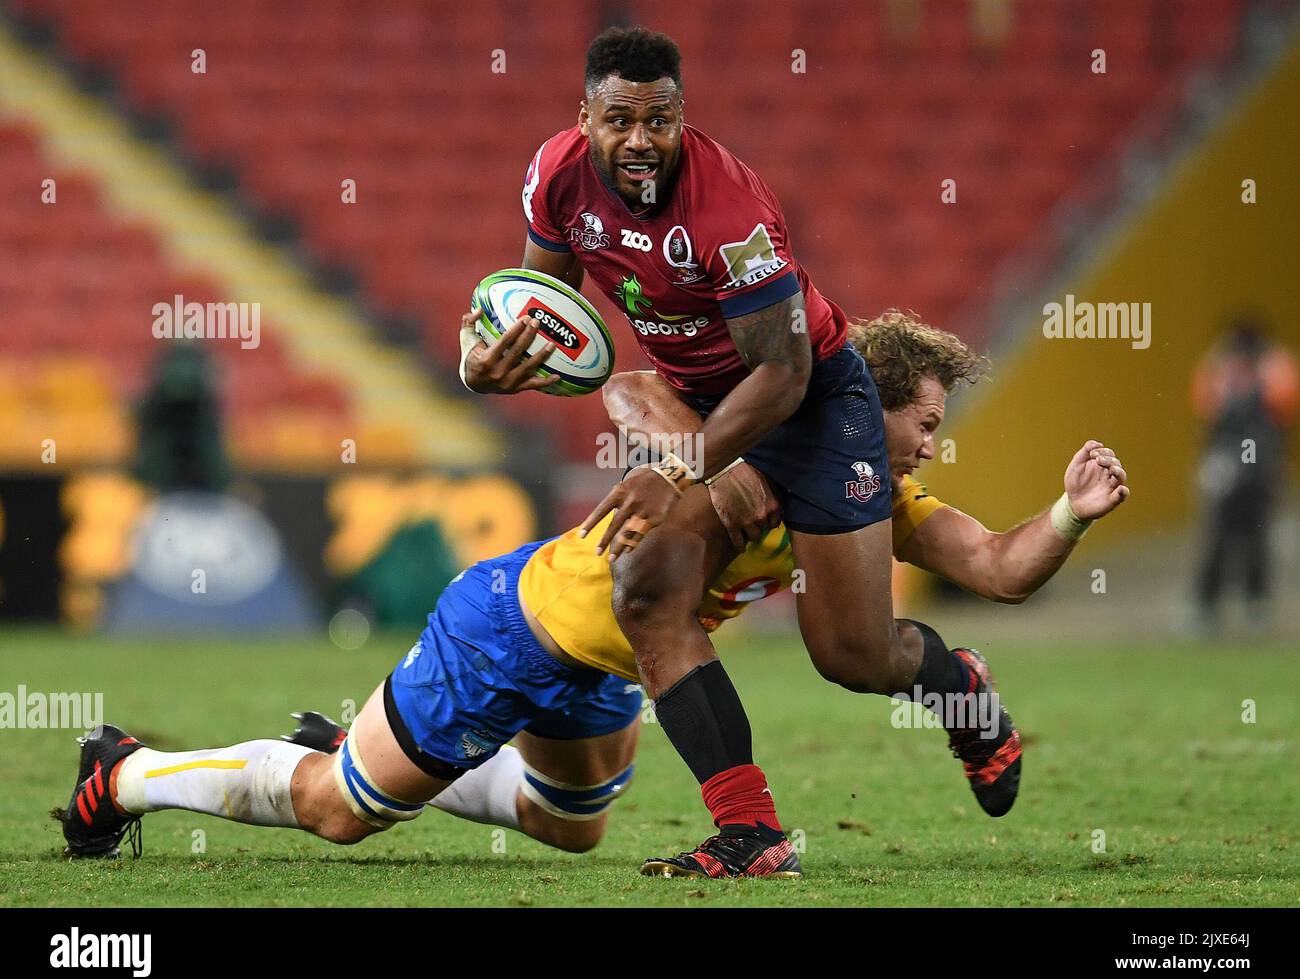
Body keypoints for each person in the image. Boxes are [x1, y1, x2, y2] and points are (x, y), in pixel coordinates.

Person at [59, 311, 1129, 880]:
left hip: (609, 671)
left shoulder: (864, 504)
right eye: (921, 422)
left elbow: (993, 564)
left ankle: (359, 740)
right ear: (863, 410)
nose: (930, 445)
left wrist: (1071, 512)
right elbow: (634, 391)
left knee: (567, 829)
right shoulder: (755, 456)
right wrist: (688, 453)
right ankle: (129, 771)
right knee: (341, 812)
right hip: (514, 629)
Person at [460, 26, 1025, 871]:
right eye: (621, 120)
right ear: (585, 118)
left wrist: (677, 464)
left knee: (852, 656)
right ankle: (753, 833)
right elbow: (543, 310)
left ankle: (961, 690)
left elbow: (785, 373)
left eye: (660, 119)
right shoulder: (556, 178)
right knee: (646, 589)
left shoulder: (730, 211)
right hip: (709, 398)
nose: (641, 140)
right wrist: (485, 369)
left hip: (814, 405)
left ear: (682, 116)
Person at [1190, 317, 1297, 631]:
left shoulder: (1275, 366)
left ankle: (1255, 602)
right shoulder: (1219, 368)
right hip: (1225, 460)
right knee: (1218, 533)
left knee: (1256, 533)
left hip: (1260, 462)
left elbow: (1283, 413)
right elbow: (1207, 415)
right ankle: (1207, 603)